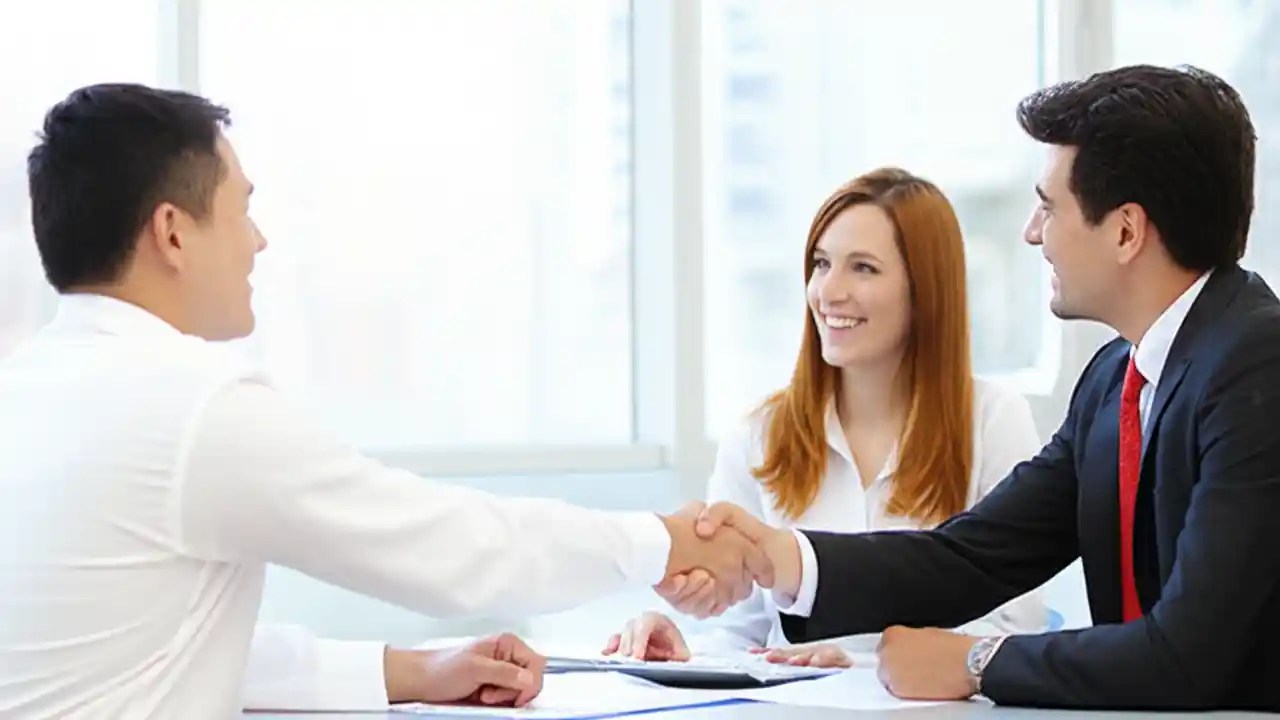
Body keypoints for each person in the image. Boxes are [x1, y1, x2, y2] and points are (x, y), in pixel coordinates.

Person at [0, 83, 771, 719]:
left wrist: (416, 671)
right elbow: (447, 547)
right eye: (242, 209)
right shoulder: (192, 408)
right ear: (173, 233)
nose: (259, 241)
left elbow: (145, 645)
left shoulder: (28, 390)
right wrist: (661, 543)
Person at [689, 64, 1280, 711]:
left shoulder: (1258, 364)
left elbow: (1188, 654)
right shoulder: (1116, 380)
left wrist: (976, 663)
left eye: (1049, 207)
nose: (1033, 232)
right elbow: (972, 556)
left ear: (1125, 231)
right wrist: (784, 559)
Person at [602, 169, 1047, 667]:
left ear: (925, 289)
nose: (828, 291)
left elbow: (1013, 626)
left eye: (863, 268)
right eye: (821, 263)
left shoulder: (993, 421)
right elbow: (738, 632)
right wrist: (683, 647)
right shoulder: (760, 434)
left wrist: (859, 662)